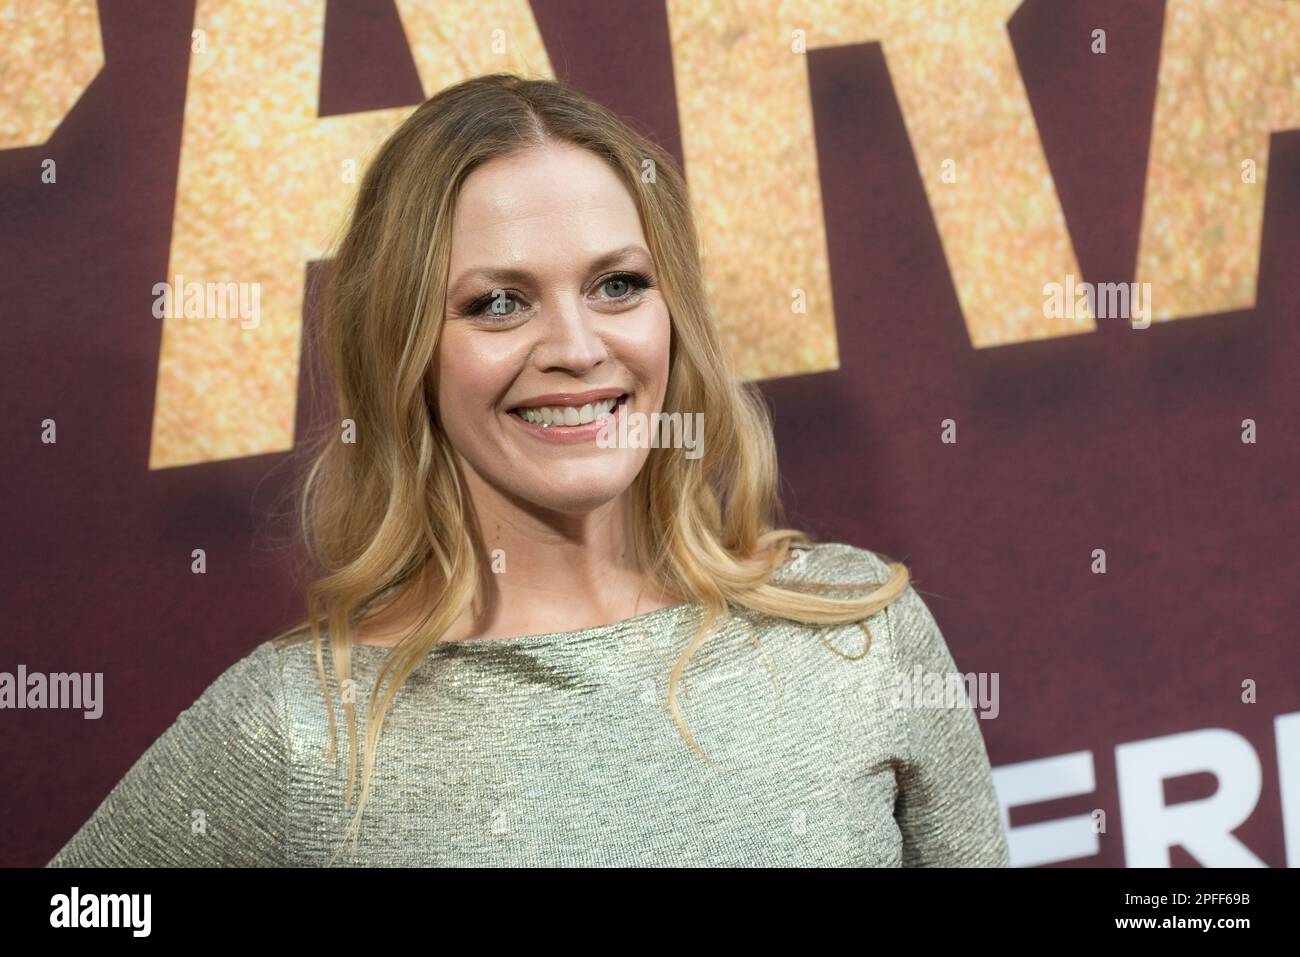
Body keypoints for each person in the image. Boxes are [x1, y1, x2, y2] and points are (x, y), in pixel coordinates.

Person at [47, 73, 1009, 867]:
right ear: (405, 349)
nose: (578, 346)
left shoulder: (857, 634)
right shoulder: (299, 735)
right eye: (499, 303)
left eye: (618, 284)